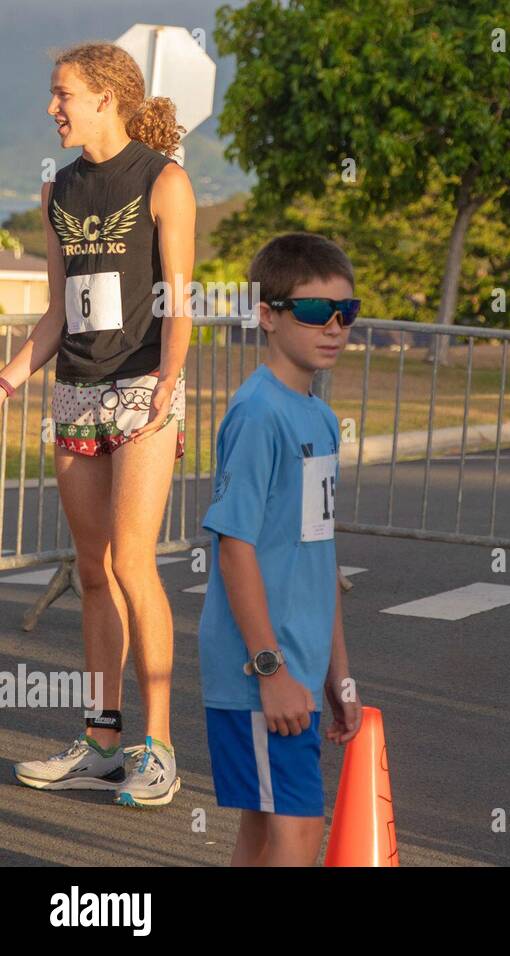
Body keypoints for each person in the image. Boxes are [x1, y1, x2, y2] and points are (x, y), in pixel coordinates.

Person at [10, 43, 194, 806]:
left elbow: (180, 298)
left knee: (131, 564)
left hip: (143, 386)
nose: (51, 108)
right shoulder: (60, 190)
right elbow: (57, 310)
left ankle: (160, 749)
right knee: (91, 573)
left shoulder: (164, 179)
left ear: (106, 97)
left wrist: (169, 379)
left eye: (63, 95)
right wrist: (10, 376)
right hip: (76, 392)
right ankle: (101, 743)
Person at [198, 233, 361, 866]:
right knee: (295, 829)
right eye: (316, 312)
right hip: (261, 675)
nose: (335, 327)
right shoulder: (258, 413)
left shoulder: (318, 418)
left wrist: (336, 674)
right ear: (267, 315)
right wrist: (272, 672)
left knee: (265, 834)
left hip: (296, 668)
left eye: (346, 312)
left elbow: (320, 559)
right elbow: (233, 547)